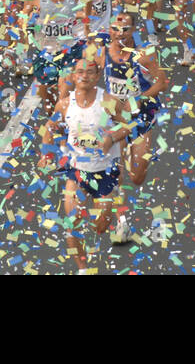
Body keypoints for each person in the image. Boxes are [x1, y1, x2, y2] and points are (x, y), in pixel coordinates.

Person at [39, 44, 130, 273]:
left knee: (100, 225)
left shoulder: (107, 100)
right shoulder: (65, 103)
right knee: (71, 223)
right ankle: (82, 268)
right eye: (80, 72)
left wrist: (111, 138)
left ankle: (112, 219)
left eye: (90, 72)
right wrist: (46, 153)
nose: (84, 76)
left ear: (98, 76)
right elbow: (49, 127)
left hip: (105, 171)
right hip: (77, 170)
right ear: (73, 76)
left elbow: (128, 125)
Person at [102, 10, 167, 244]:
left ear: (133, 31)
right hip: (115, 120)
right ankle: (122, 222)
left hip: (140, 117)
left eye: (125, 29)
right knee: (116, 172)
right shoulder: (103, 51)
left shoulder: (144, 55)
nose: (120, 33)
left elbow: (162, 82)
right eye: (115, 28)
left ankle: (133, 162)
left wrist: (139, 99)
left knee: (137, 176)